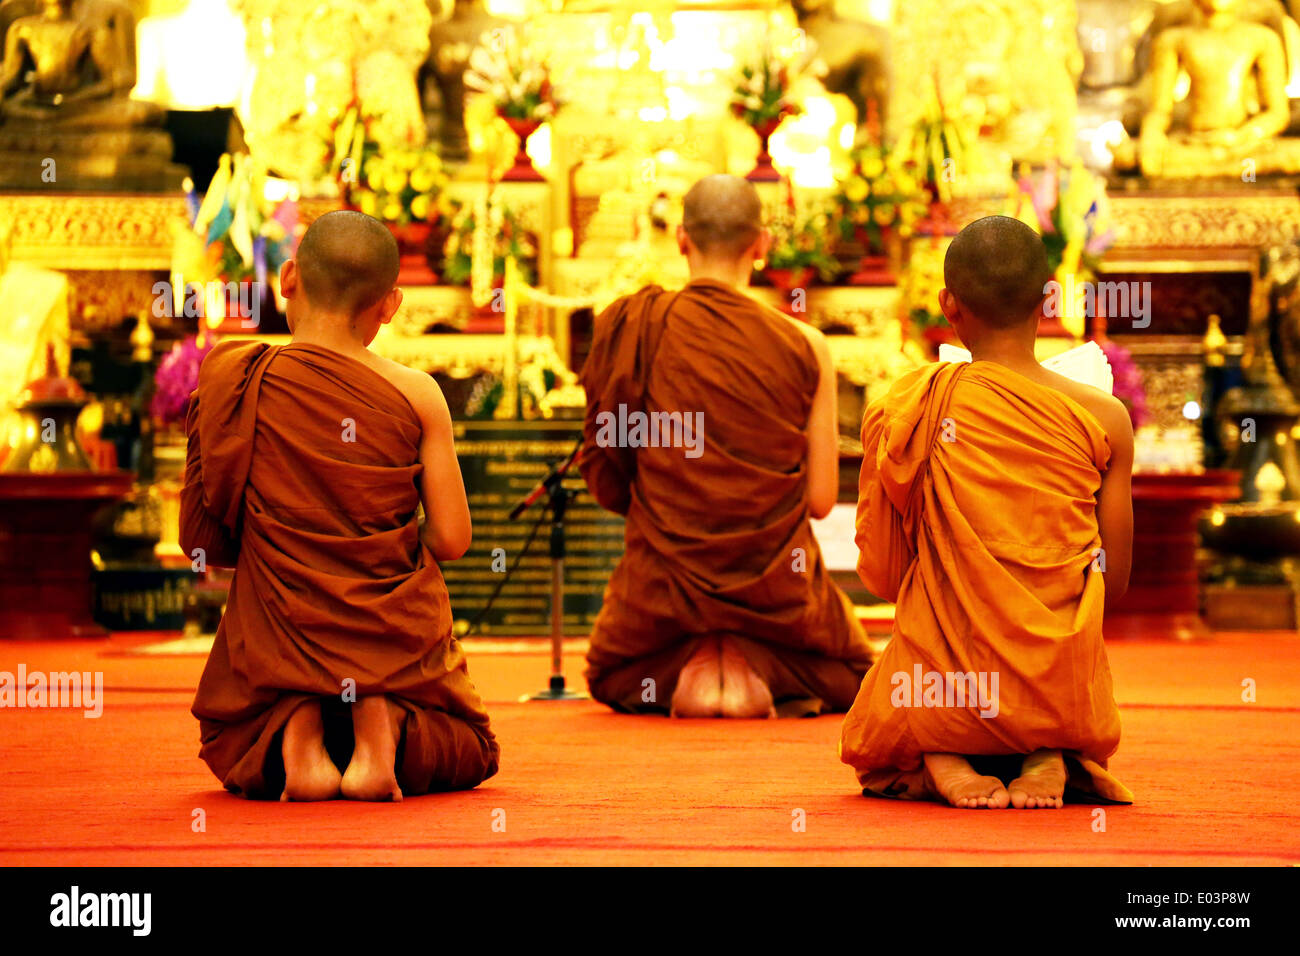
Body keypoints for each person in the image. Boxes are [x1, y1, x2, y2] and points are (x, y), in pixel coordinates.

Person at [183, 210, 499, 801]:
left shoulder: (237, 377)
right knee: (463, 739)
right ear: (391, 305)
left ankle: (297, 734)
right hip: (392, 647)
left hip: (273, 658)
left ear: (289, 277)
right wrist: (380, 555)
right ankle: (379, 727)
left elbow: (205, 543)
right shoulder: (418, 393)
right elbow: (453, 539)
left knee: (278, 601)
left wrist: (292, 554)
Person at [840, 215, 1135, 808]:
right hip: (1056, 685)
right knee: (1052, 658)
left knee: (911, 662)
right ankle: (1045, 750)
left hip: (939, 684)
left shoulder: (913, 407)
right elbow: (1117, 582)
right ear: (1049, 299)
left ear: (948, 305)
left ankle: (941, 749)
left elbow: (882, 573)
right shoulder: (1104, 419)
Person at [579, 174, 874, 719]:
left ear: (682, 241)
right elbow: (818, 501)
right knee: (852, 676)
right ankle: (753, 659)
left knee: (614, 674)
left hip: (660, 597)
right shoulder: (805, 345)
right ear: (761, 245)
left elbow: (609, 478)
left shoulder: (633, 324)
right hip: (776, 599)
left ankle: (694, 658)